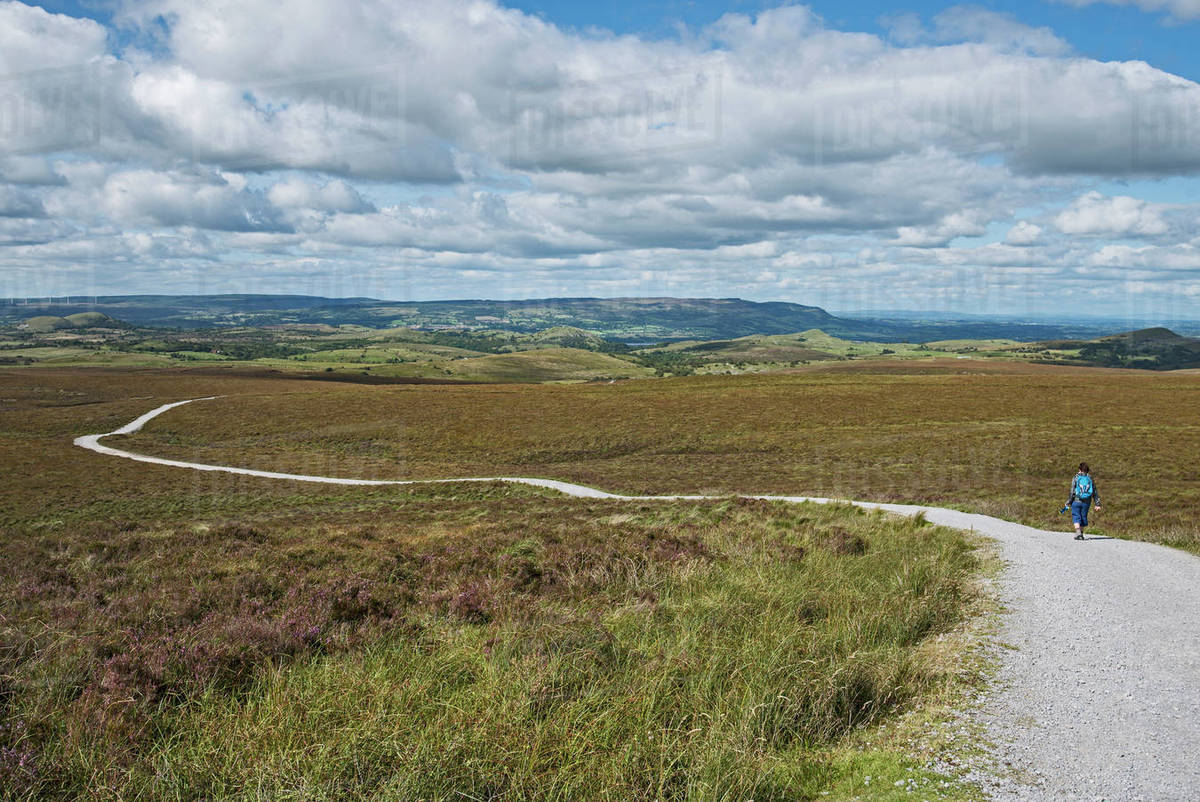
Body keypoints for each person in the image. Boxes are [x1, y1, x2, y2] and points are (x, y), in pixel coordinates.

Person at [1066, 462, 1100, 540]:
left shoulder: (1076, 477)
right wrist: (1097, 504)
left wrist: (1069, 501)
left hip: (1076, 501)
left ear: (1079, 469)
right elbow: (1094, 491)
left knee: (1076, 516)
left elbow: (1072, 491)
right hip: (1087, 502)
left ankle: (1078, 532)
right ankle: (1081, 534)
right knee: (1083, 516)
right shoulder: (1090, 478)